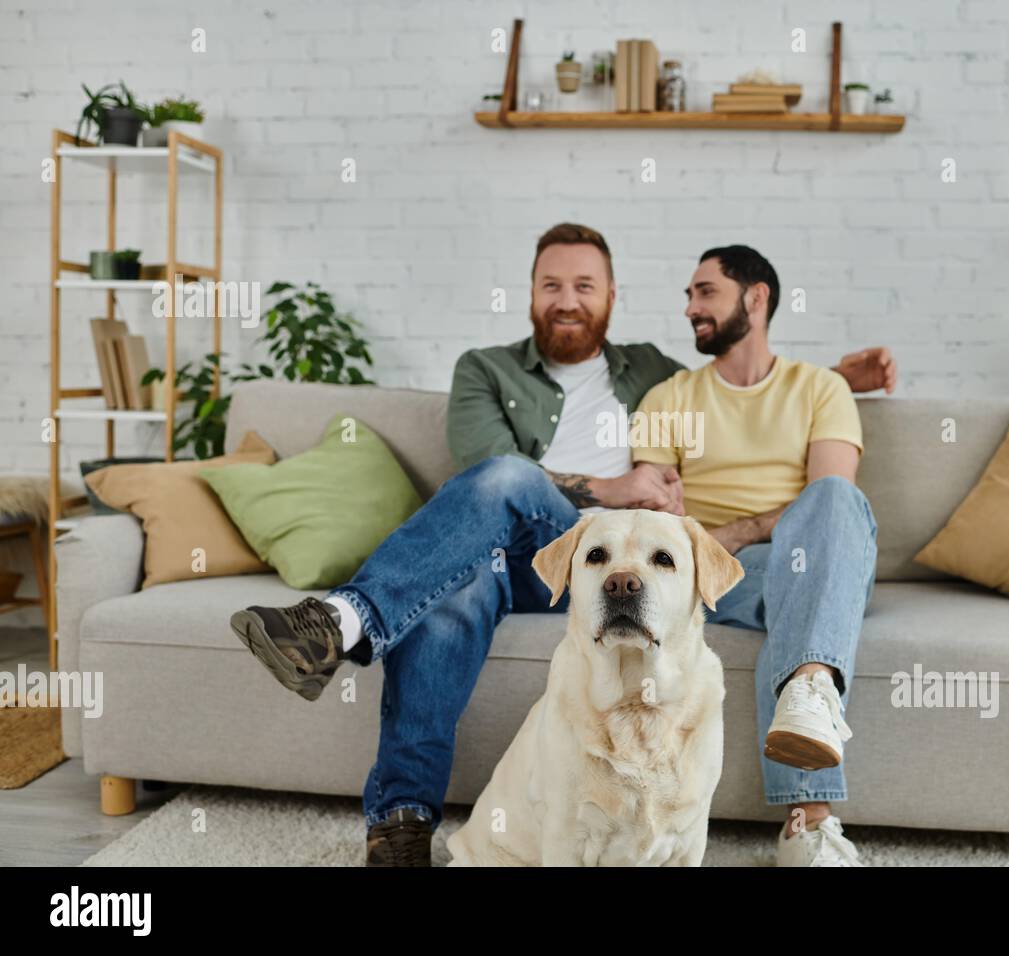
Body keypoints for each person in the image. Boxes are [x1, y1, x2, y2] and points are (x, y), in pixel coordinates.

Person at [228, 223, 896, 866]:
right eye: (552, 285)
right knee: (484, 524)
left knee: (456, 595)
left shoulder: (651, 373)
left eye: (585, 285)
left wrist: (833, 379)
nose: (568, 299)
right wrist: (612, 487)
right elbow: (482, 479)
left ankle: (349, 646)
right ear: (529, 293)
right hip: (523, 547)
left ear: (612, 298)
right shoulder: (486, 371)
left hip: (607, 566)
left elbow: (746, 381)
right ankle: (392, 795)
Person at [632, 245, 877, 866]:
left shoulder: (820, 389)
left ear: (757, 297)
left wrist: (736, 530)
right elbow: (657, 523)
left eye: (705, 292)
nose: (691, 308)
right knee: (804, 578)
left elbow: (828, 505)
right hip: (709, 576)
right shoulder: (668, 398)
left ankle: (809, 691)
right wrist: (718, 545)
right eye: (688, 296)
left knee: (834, 504)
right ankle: (809, 826)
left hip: (804, 562)